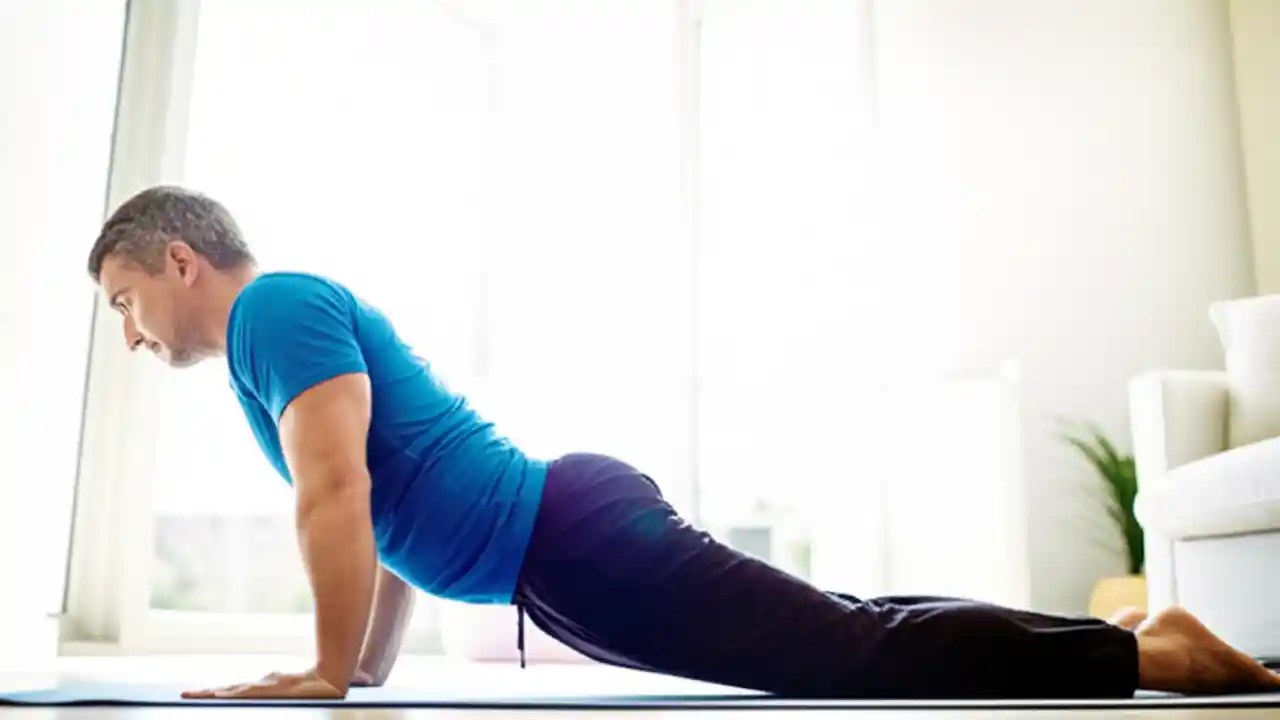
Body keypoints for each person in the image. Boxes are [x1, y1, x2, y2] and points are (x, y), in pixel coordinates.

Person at [86, 185, 1280, 701]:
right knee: (837, 635)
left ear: (178, 260)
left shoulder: (276, 311)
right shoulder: (267, 344)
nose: (132, 337)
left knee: (842, 656)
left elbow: (336, 494)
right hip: (560, 555)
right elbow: (382, 518)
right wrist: (360, 668)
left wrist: (318, 667)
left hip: (573, 538)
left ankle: (1143, 660)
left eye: (124, 302)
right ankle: (1120, 642)